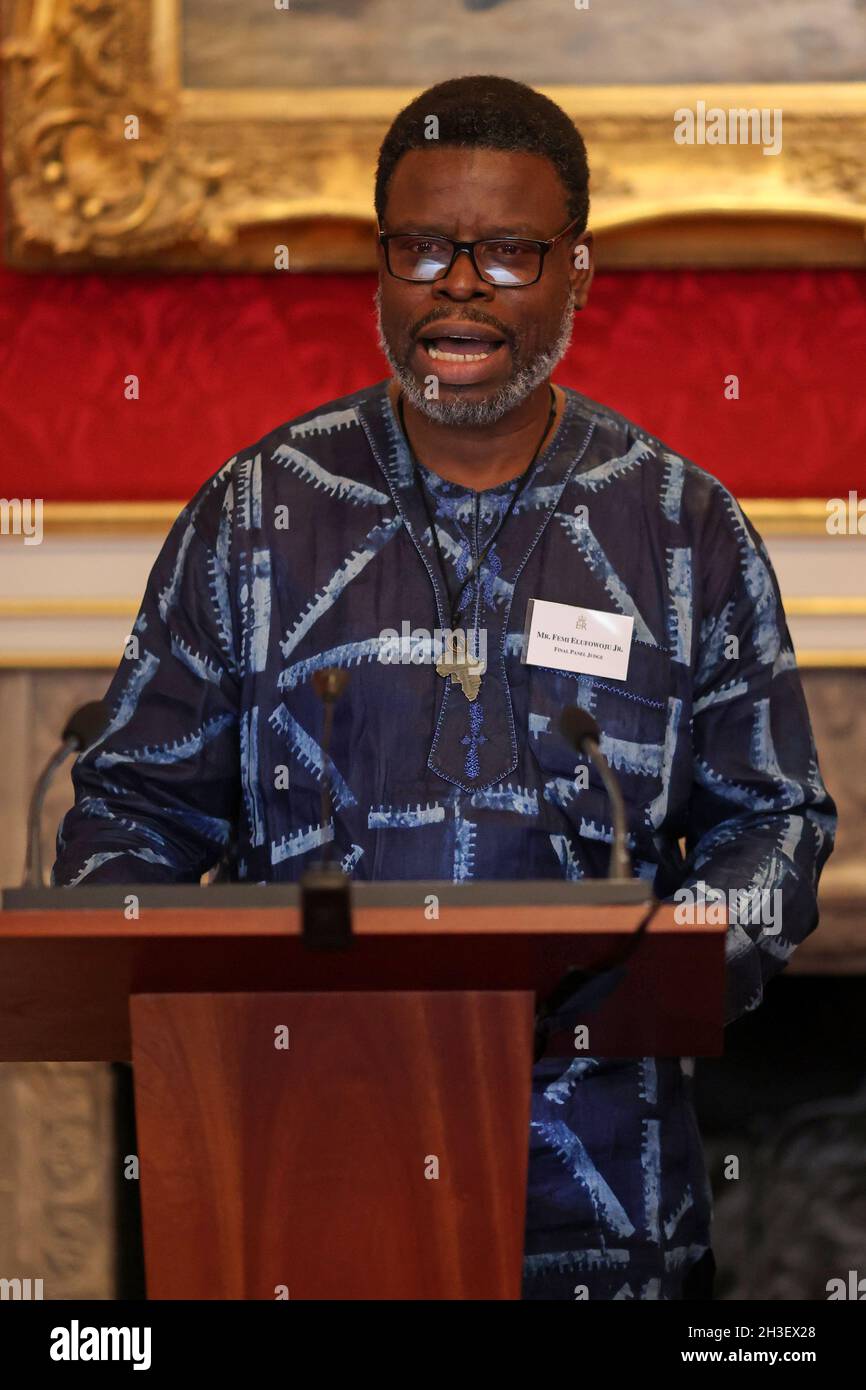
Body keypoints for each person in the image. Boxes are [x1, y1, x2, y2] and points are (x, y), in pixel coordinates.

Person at [52, 75, 836, 1300]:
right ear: (379, 267)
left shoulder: (685, 529)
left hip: (601, 1201)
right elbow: (129, 819)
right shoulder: (256, 513)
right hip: (307, 1180)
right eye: (422, 247)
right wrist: (187, 1008)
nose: (458, 284)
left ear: (576, 273)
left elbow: (775, 824)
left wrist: (664, 968)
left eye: (510, 253)